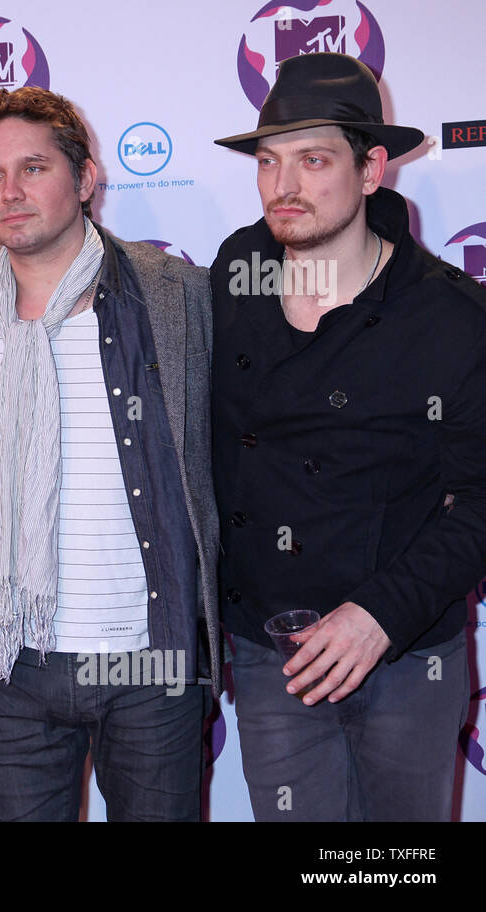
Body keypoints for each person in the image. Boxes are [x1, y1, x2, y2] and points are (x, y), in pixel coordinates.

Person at [211, 52, 486, 821]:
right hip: (273, 658)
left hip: (405, 658)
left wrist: (379, 615)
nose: (283, 185)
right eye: (268, 161)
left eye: (314, 160)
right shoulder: (241, 268)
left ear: (372, 170)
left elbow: (481, 501)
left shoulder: (449, 317)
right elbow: (130, 292)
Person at [0, 87, 220, 821]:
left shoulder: (173, 295)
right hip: (9, 662)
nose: (11, 191)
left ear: (88, 179)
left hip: (147, 659)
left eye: (34, 168)